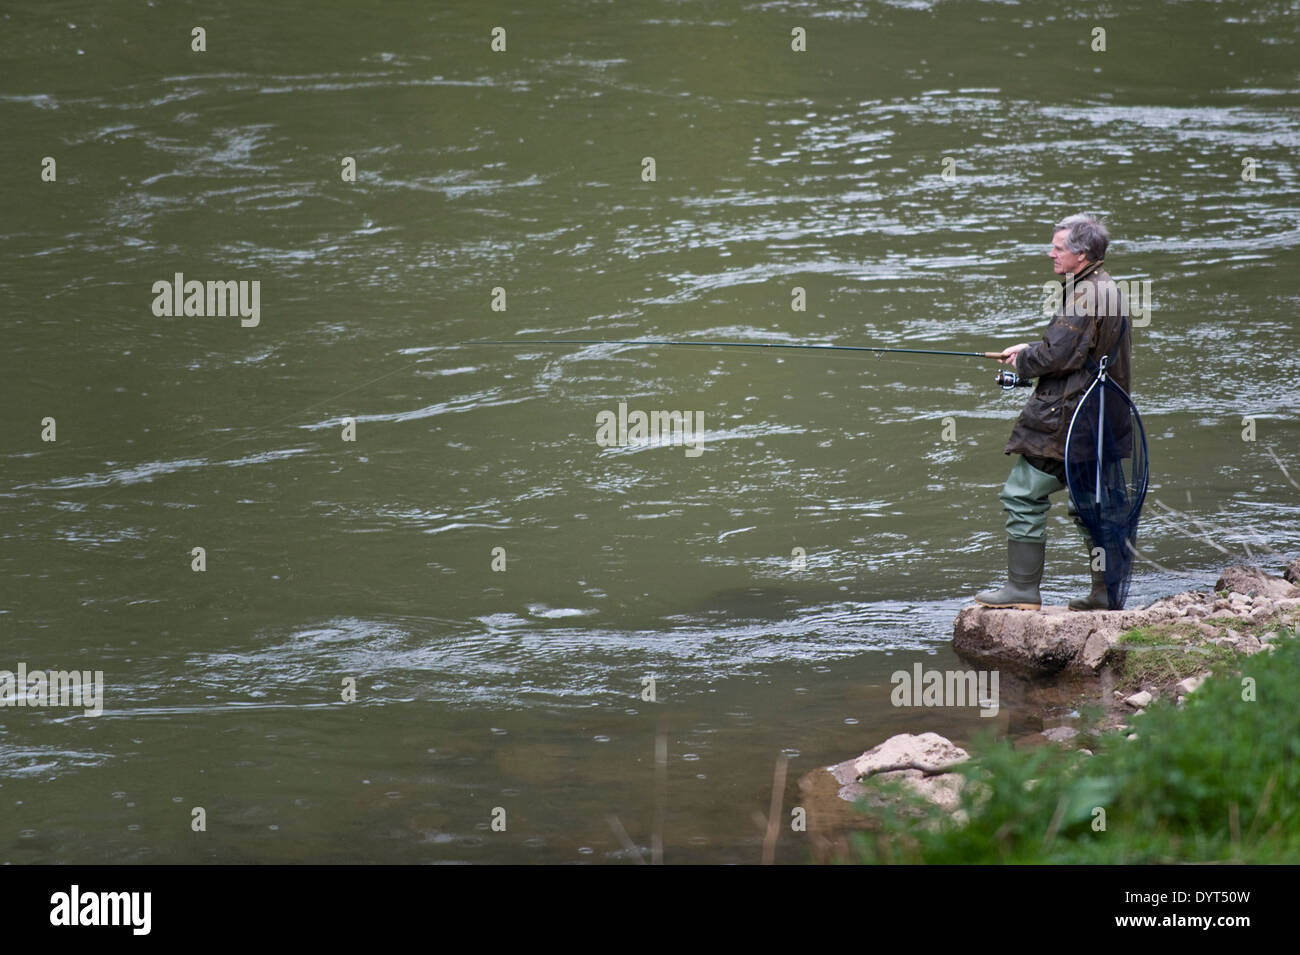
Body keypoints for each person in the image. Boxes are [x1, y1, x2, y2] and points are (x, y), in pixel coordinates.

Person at [974, 214, 1132, 611]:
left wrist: (1026, 359)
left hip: (1069, 419)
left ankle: (1022, 591)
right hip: (1101, 419)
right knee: (1091, 506)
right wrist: (1032, 349)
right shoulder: (1106, 287)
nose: (1051, 254)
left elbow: (1057, 354)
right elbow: (1078, 349)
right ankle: (1104, 593)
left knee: (1022, 495)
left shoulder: (1083, 295)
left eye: (1058, 248)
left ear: (1080, 254)